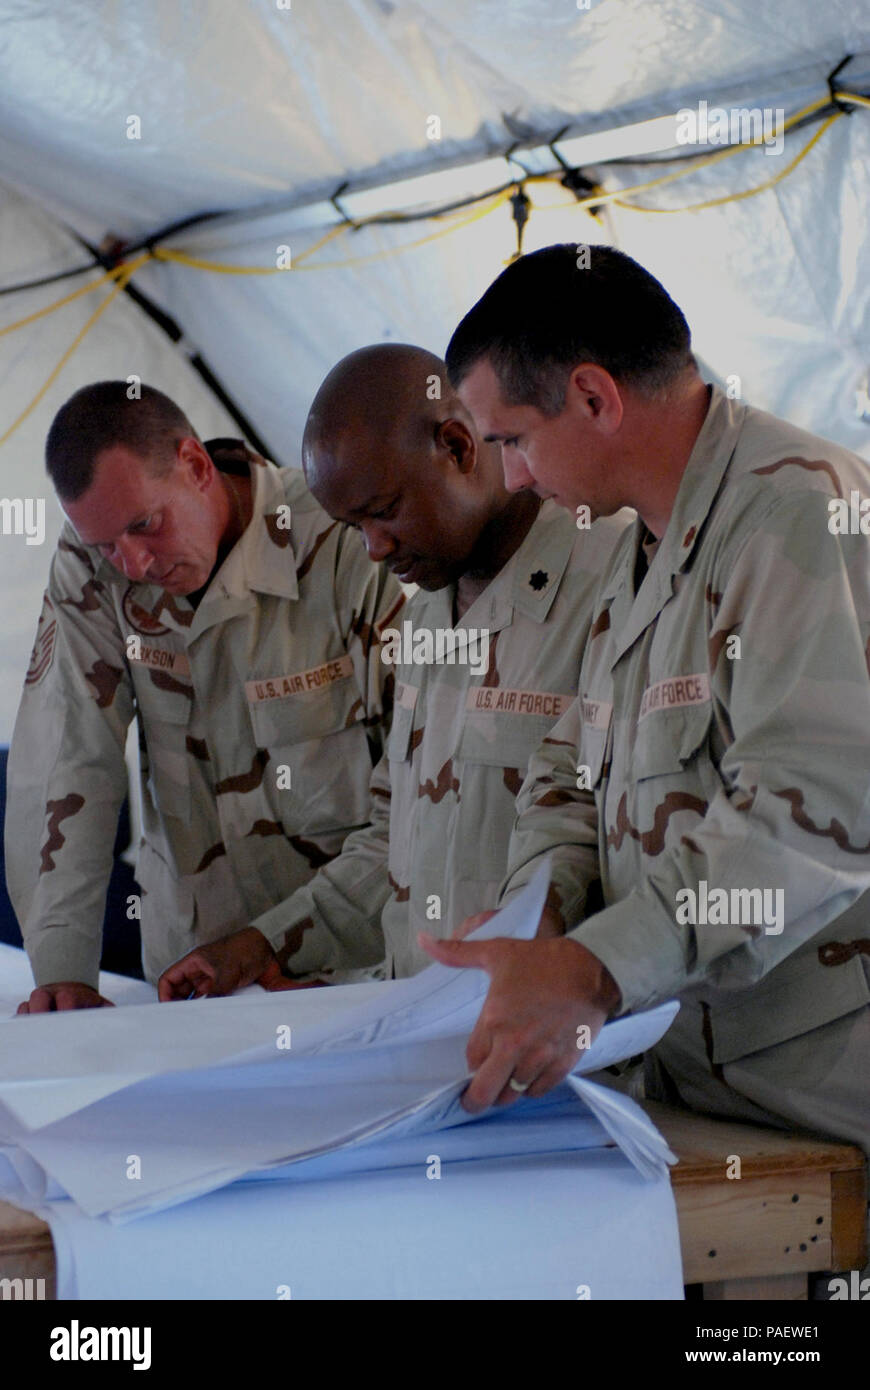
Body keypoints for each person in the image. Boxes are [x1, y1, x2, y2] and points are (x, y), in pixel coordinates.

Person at [426, 242, 870, 1137]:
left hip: (818, 1100)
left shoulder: (798, 514)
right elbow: (569, 761)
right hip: (687, 1079)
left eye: (513, 440)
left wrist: (593, 969)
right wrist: (542, 906)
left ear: (594, 397)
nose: (511, 476)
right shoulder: (633, 547)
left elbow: (810, 812)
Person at [158, 344, 631, 1000]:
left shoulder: (615, 580)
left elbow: (632, 849)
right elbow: (391, 842)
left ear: (460, 447)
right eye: (354, 527)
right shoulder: (428, 617)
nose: (375, 549)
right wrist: (264, 944)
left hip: (556, 1045)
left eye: (383, 512)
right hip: (424, 1033)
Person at [6, 382, 403, 1011]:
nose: (132, 563)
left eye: (145, 525)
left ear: (195, 466)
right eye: (107, 544)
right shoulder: (94, 564)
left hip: (349, 976)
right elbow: (70, 752)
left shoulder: (347, 543)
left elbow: (417, 801)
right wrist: (63, 970)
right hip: (190, 983)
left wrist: (272, 944)